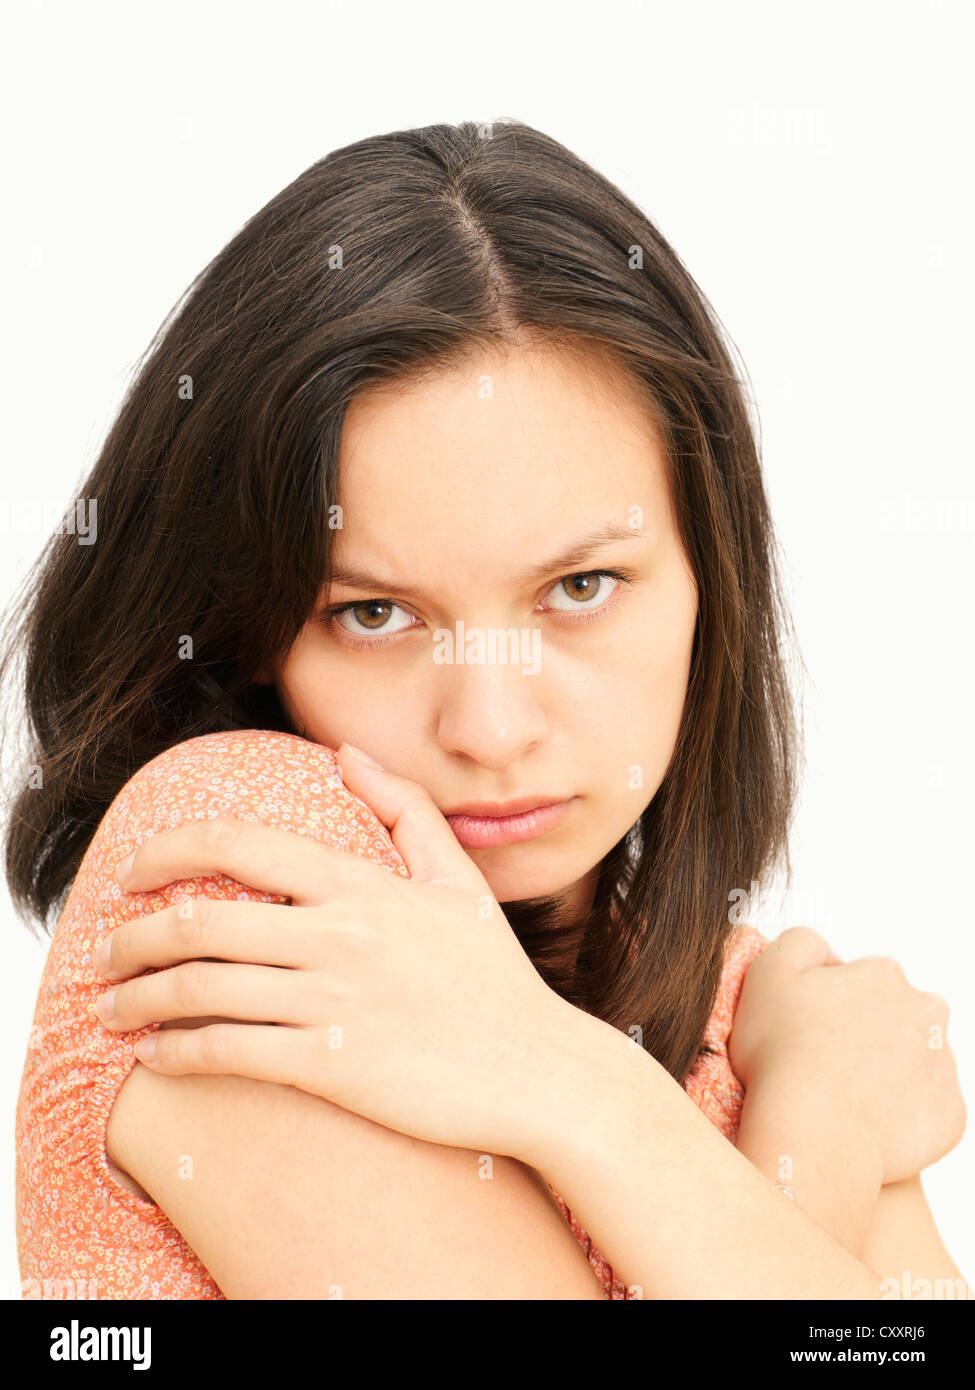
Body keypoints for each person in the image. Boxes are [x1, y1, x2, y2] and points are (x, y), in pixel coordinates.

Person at [5, 120, 967, 1299]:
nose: (494, 728)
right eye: (374, 613)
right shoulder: (249, 879)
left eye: (578, 588)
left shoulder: (744, 1000)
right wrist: (815, 1123)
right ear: (249, 617)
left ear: (711, 577)